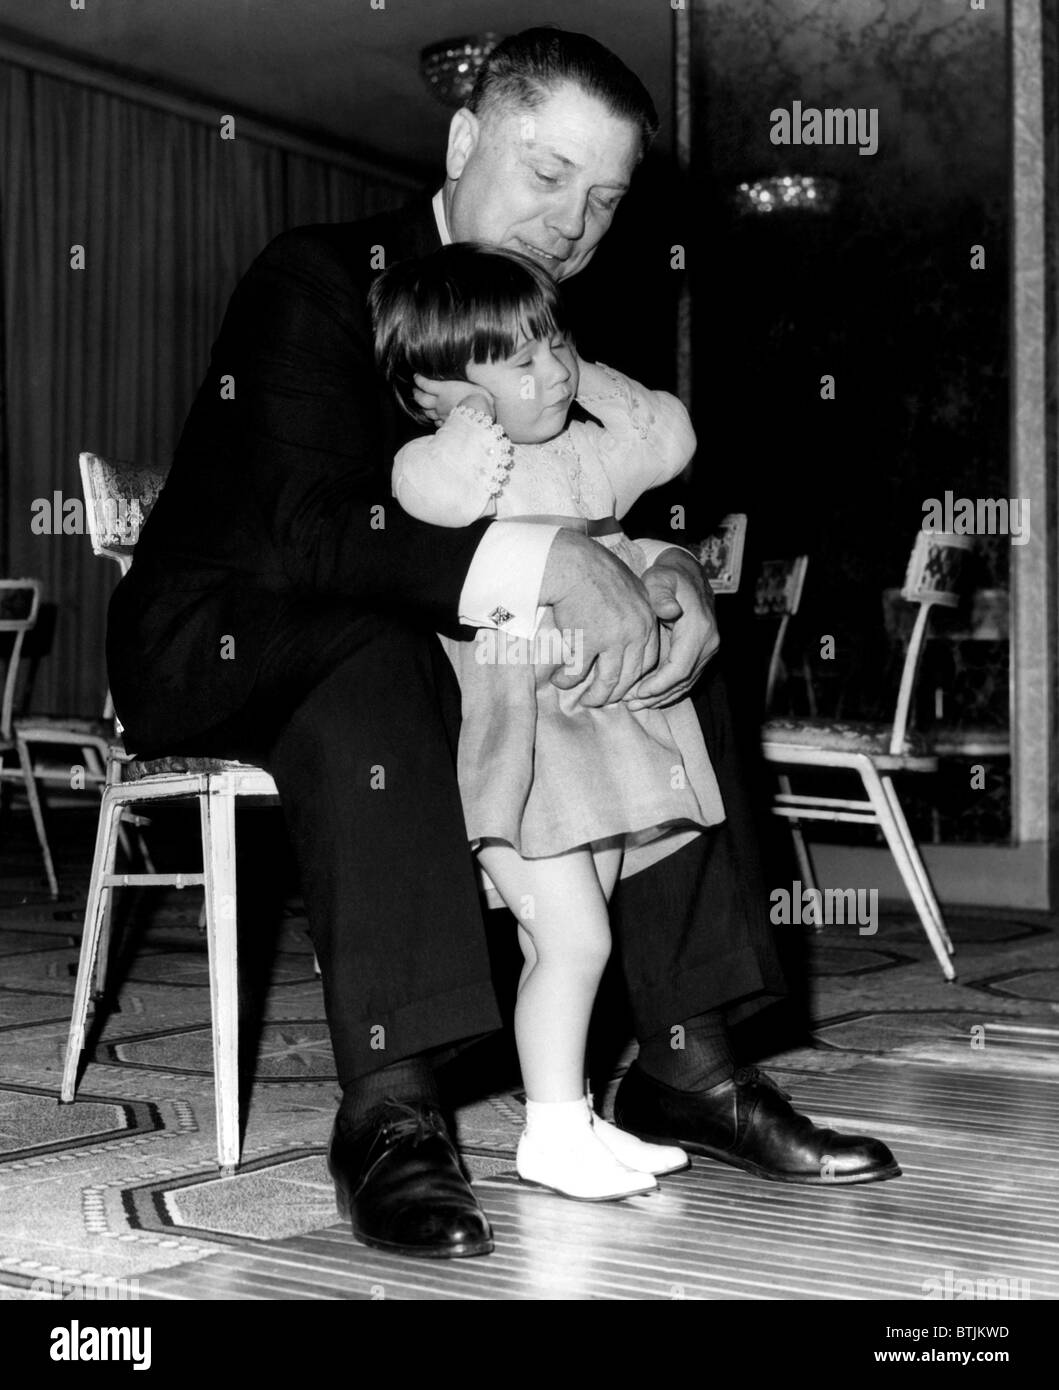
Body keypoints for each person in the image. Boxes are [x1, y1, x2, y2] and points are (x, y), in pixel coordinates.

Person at [107, 28, 898, 1261]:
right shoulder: (318, 277)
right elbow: (316, 535)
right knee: (375, 652)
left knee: (664, 637)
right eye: (547, 175)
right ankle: (394, 1106)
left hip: (444, 638)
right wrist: (551, 563)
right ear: (466, 141)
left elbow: (626, 482)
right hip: (233, 637)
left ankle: (687, 1060)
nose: (574, 225)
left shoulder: (543, 321)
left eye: (603, 198)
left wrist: (669, 573)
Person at [372, 241, 722, 1200]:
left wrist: (577, 370)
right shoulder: (452, 464)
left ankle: (572, 1116)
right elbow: (427, 496)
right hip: (524, 741)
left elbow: (673, 437)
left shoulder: (584, 444)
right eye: (519, 359)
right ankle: (552, 1134)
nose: (554, 370)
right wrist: (461, 421)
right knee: (575, 940)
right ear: (442, 391)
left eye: (557, 341)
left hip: (602, 735)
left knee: (573, 936)